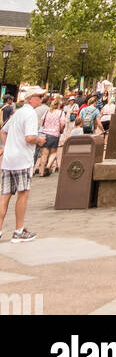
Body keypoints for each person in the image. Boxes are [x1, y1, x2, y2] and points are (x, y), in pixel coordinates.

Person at [0, 88, 47, 242]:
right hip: (22, 159)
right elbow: (30, 138)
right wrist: (39, 140)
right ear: (31, 98)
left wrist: (8, 147)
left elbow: (3, 131)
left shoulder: (18, 112)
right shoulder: (30, 114)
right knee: (23, 193)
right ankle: (19, 231)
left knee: (5, 196)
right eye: (39, 96)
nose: (41, 99)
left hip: (9, 159)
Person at [35, 97, 66, 177]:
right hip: (54, 134)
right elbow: (62, 124)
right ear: (59, 105)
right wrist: (61, 129)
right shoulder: (61, 113)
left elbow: (41, 122)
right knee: (53, 152)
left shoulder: (47, 112)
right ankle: (48, 166)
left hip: (45, 134)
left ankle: (41, 172)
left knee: (44, 154)